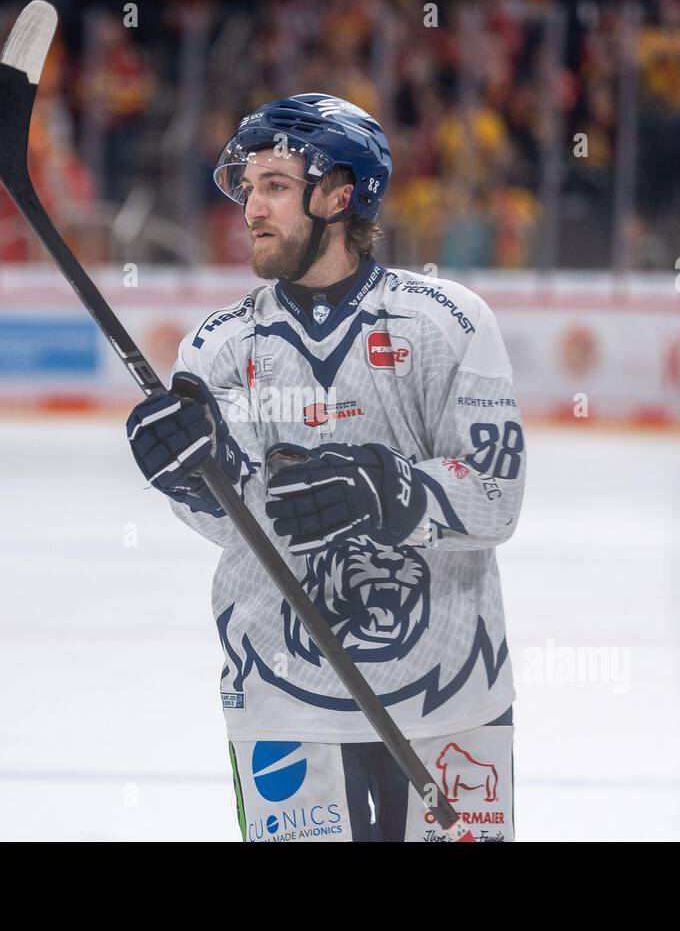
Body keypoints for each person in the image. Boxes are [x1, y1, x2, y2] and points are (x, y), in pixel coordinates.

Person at [126, 94, 525, 842]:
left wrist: (388, 487)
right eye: (248, 188)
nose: (251, 207)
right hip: (285, 702)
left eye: (275, 185)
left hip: (450, 700)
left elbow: (498, 498)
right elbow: (237, 523)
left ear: (342, 193)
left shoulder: (450, 322)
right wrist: (189, 475)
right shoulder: (216, 351)